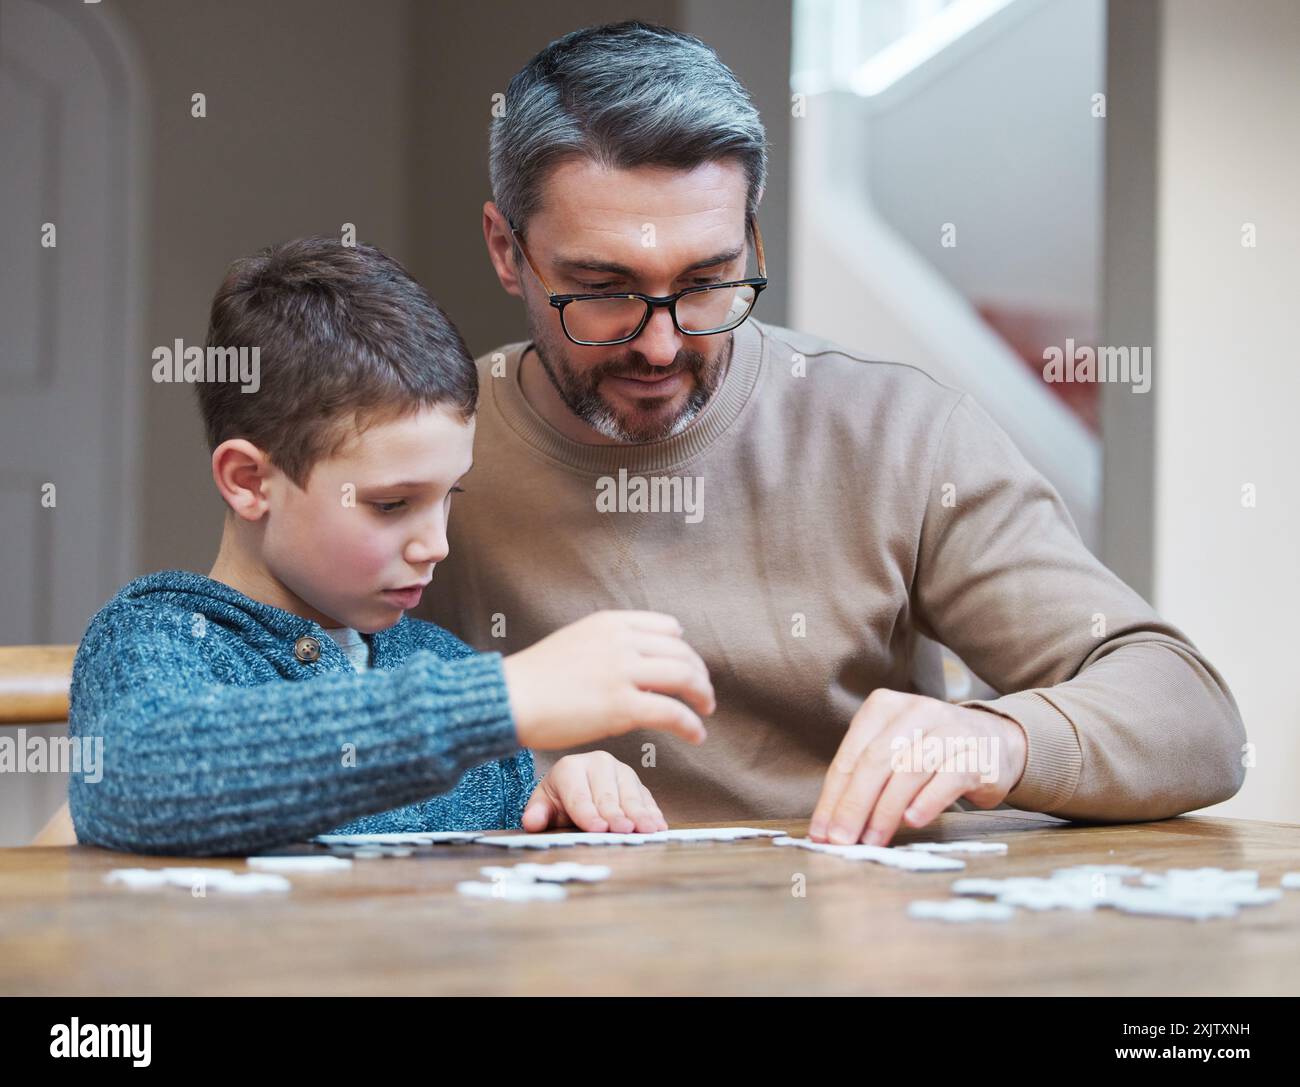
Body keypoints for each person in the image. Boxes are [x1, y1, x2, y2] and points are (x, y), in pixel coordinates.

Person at [419, 21, 1246, 847]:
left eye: (708, 282)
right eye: (603, 289)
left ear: (753, 237)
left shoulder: (897, 434)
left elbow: (1193, 717)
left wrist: (1000, 739)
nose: (661, 344)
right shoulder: (418, 452)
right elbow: (304, 722)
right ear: (506, 248)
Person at [66, 236, 714, 856]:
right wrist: (496, 700)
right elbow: (142, 777)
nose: (435, 545)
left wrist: (555, 802)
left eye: (449, 496)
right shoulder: (156, 640)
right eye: (391, 504)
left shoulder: (438, 662)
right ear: (249, 481)